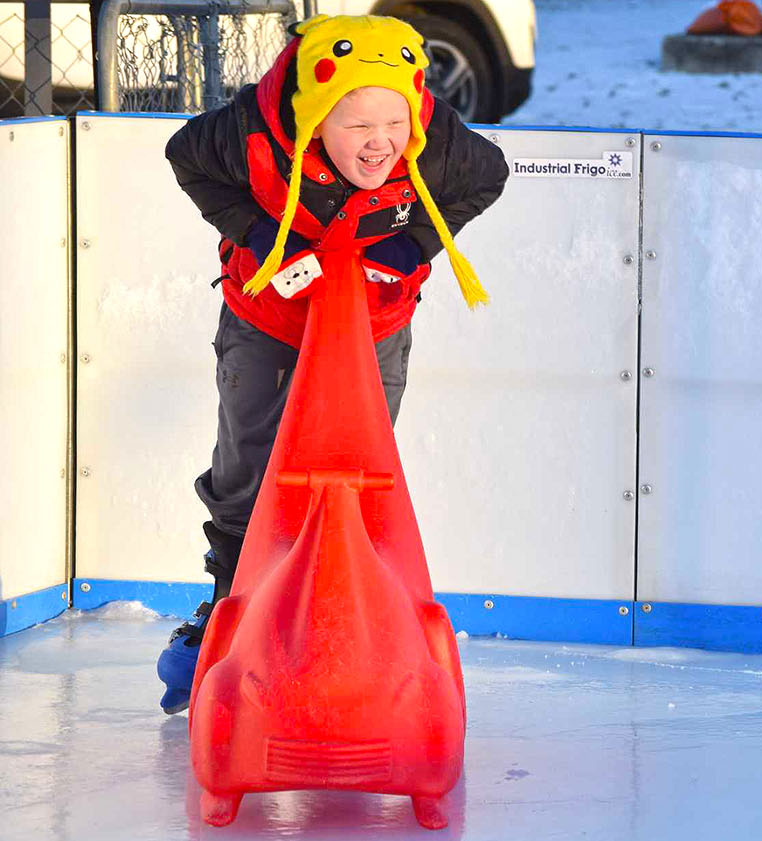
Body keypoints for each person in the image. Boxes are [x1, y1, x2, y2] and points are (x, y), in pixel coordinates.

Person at [157, 13, 509, 715]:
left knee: (356, 469)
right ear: (315, 117)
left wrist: (412, 250)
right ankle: (230, 609)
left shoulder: (435, 141)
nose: (382, 145)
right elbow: (184, 156)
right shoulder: (248, 133)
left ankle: (349, 625)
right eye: (358, 128)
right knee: (251, 470)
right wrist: (261, 236)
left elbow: (487, 178)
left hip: (371, 327)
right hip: (269, 323)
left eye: (395, 123)